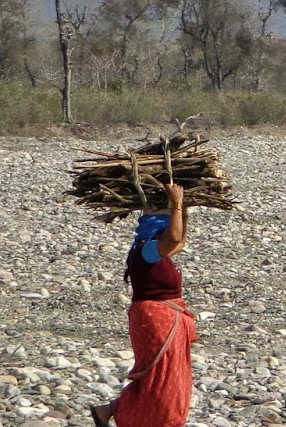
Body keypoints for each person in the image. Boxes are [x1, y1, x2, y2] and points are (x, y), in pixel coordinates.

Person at [89, 182, 196, 427]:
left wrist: (183, 210)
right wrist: (176, 204)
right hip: (156, 320)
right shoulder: (148, 250)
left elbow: (179, 240)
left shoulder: (154, 251)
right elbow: (175, 238)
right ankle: (144, 418)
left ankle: (110, 410)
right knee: (161, 376)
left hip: (162, 318)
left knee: (161, 375)